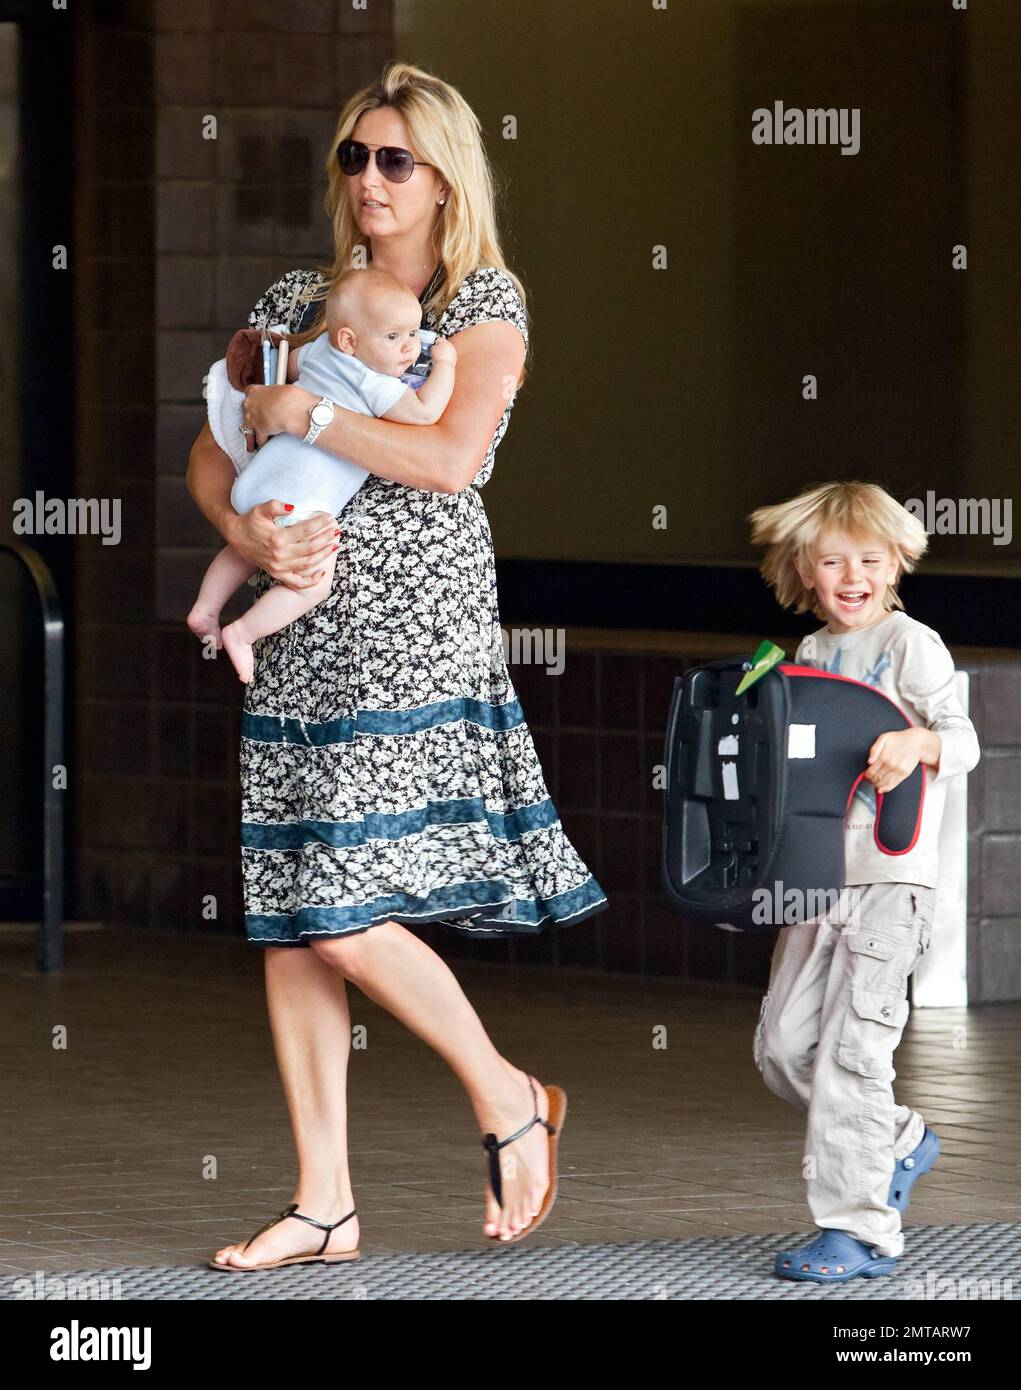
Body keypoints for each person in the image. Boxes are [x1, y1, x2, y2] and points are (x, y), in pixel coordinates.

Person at [185, 61, 607, 1271]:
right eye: (355, 158)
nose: (369, 179)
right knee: (288, 913)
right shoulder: (293, 294)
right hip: (299, 620)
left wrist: (309, 420)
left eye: (395, 160)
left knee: (343, 908)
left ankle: (508, 1092)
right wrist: (242, 533)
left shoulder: (484, 304)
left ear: (442, 178)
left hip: (411, 625)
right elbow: (211, 449)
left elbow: (447, 458)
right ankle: (325, 1202)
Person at [747, 480, 980, 1283]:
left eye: (869, 561)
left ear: (894, 567)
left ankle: (860, 1231)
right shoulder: (807, 655)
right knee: (781, 1050)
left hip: (889, 879)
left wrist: (914, 744)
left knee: (852, 1059)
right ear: (804, 571)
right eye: (832, 562)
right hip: (816, 880)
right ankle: (900, 1138)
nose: (852, 576)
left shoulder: (909, 644)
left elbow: (961, 740)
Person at [187, 266, 457, 682]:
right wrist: (446, 365)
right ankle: (242, 632)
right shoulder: (377, 383)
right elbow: (424, 414)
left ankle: (205, 607)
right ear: (349, 340)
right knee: (312, 583)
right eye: (393, 337)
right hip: (300, 499)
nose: (407, 350)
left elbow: (286, 365)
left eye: (412, 334)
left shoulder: (319, 351)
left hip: (257, 481)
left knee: (243, 547)